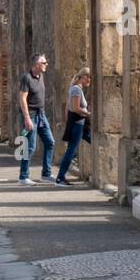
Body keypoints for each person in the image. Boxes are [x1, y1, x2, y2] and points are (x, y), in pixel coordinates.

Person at [17, 53, 56, 185]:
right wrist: (27, 118)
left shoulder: (41, 76)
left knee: (50, 142)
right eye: (44, 63)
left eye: (45, 62)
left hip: (41, 114)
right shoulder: (26, 78)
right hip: (31, 115)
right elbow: (22, 99)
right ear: (36, 65)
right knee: (29, 146)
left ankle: (46, 174)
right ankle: (23, 177)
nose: (46, 65)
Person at [56, 67, 92, 186]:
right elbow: (76, 108)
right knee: (71, 151)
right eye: (88, 77)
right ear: (83, 77)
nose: (90, 80)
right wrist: (89, 114)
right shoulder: (76, 90)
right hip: (78, 124)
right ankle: (60, 178)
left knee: (95, 142)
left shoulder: (76, 89)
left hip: (79, 124)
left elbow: (67, 108)